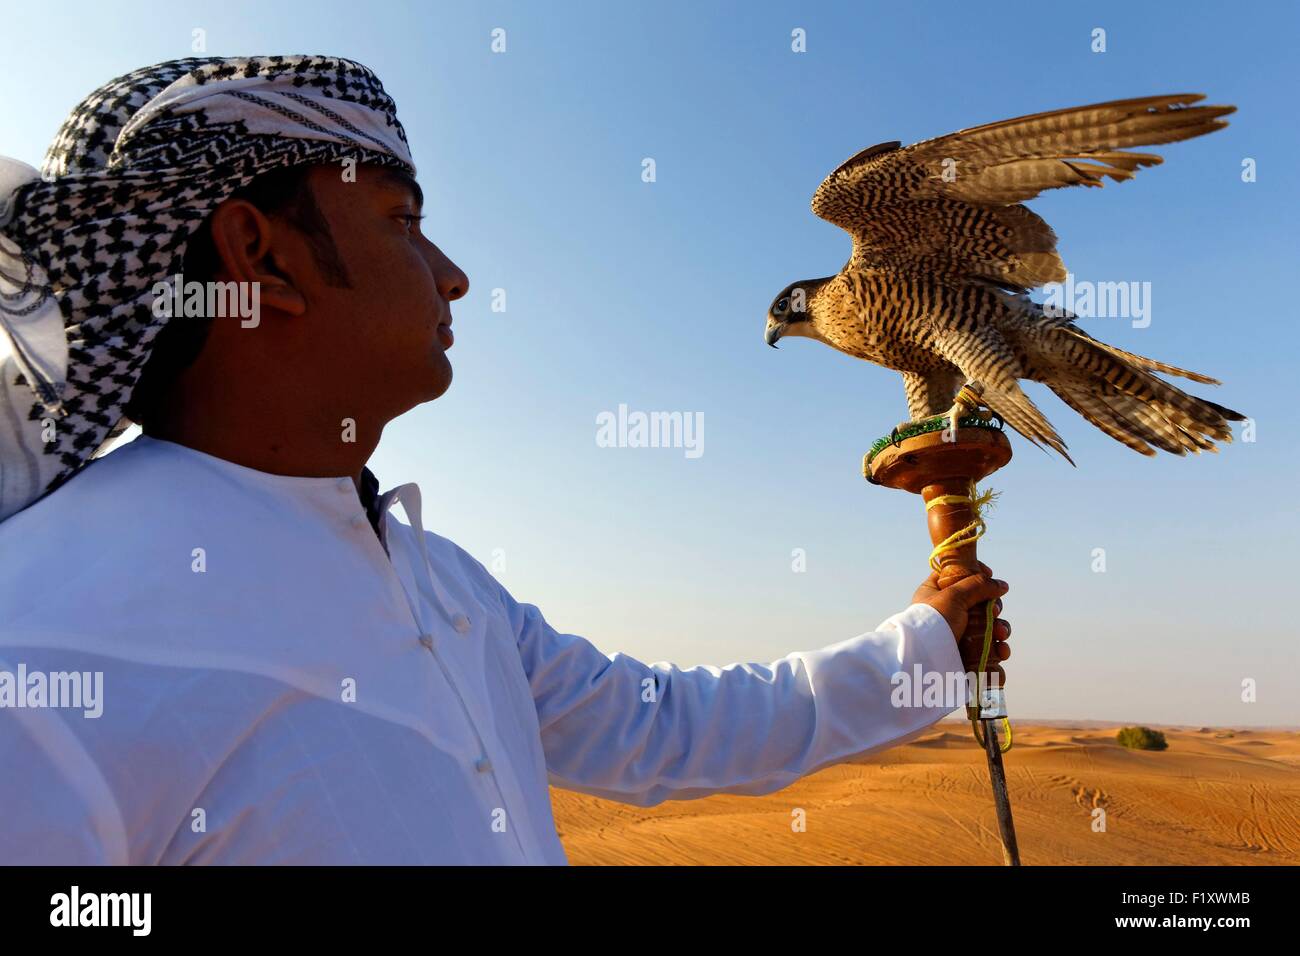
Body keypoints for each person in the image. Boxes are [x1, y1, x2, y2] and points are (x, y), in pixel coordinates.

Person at [0, 55, 1009, 864]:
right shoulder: (41, 642)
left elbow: (663, 726)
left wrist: (923, 646)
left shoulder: (440, 579)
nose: (454, 274)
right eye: (403, 222)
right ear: (261, 257)